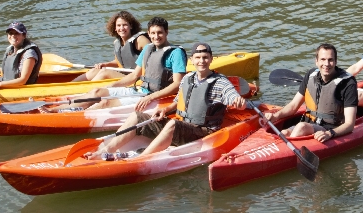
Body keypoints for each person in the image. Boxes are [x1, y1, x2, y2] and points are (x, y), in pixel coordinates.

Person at [90, 42, 247, 159]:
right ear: (192, 59)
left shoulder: (220, 82)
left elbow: (232, 96)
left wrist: (238, 101)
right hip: (184, 125)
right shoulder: (188, 78)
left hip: (204, 132)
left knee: (172, 124)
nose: (202, 61)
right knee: (137, 116)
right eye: (198, 58)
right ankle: (105, 151)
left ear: (211, 59)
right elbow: (178, 102)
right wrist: (165, 110)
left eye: (205, 57)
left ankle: (141, 158)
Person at [83, 16, 187, 110]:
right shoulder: (148, 48)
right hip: (140, 91)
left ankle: (76, 117)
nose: (156, 36)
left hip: (155, 96)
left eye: (160, 32)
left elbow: (177, 84)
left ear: (166, 32)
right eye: (153, 33)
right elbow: (134, 75)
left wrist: (150, 98)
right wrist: (112, 86)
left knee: (105, 103)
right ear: (149, 33)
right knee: (97, 92)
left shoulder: (176, 53)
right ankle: (69, 110)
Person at [263, 43, 358, 142]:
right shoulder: (311, 75)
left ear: (335, 61)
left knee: (301, 127)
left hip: (330, 128)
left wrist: (330, 133)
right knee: (285, 133)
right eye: (323, 59)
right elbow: (293, 106)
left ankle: (287, 152)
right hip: (310, 123)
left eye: (330, 60)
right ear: (316, 61)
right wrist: (275, 116)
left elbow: (349, 124)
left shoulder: (348, 83)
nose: (326, 64)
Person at [72, 10, 151, 82]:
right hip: (126, 74)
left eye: (125, 25)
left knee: (105, 72)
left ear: (131, 26)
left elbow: (155, 54)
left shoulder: (140, 40)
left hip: (137, 78)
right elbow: (119, 62)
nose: (122, 28)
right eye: (119, 25)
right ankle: (70, 85)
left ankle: (87, 91)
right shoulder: (117, 42)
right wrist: (106, 64)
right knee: (95, 70)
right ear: (115, 28)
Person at [0, 22, 42, 91]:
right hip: (9, 86)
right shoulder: (12, 49)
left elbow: (23, 80)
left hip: (22, 90)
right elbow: (14, 72)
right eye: (11, 33)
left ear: (24, 36)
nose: (13, 36)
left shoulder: (29, 54)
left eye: (17, 33)